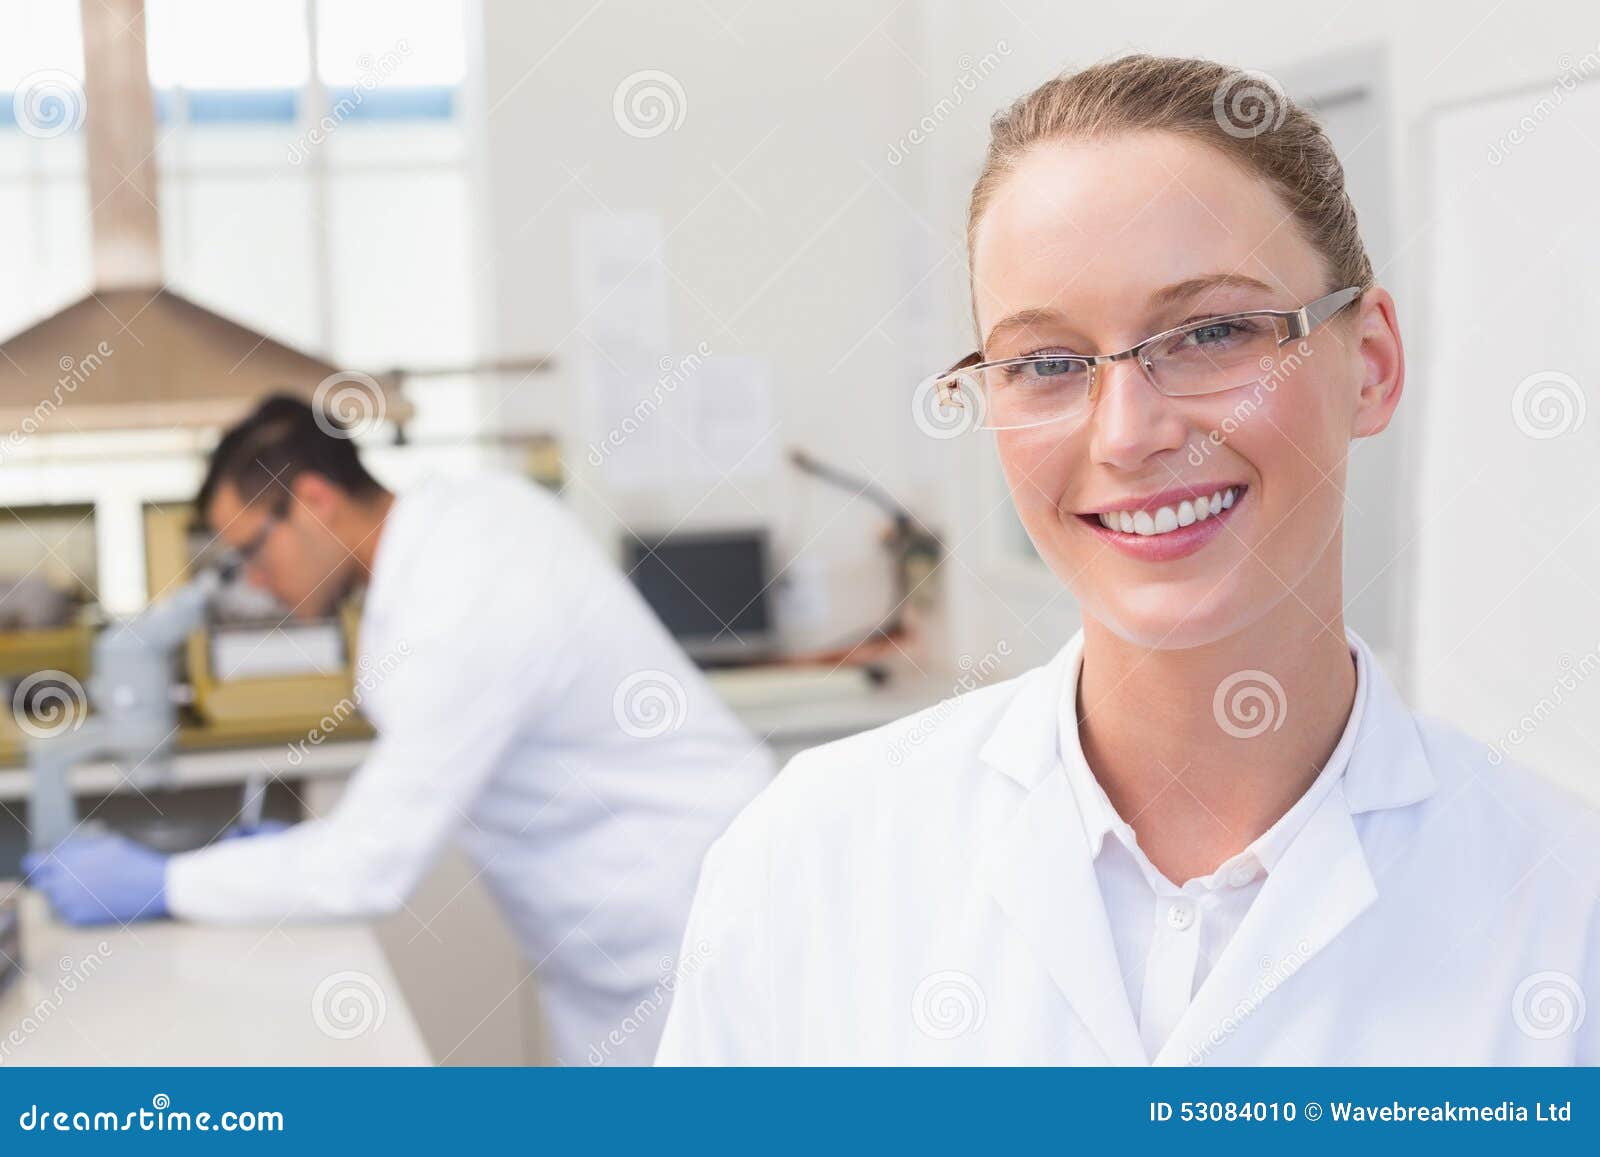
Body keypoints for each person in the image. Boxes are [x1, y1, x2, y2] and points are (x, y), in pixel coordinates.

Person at [655, 54, 1600, 1065]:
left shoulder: (1560, 906)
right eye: (1047, 363)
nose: (1125, 433)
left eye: (1211, 332)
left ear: (1367, 364)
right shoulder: (812, 855)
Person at [24, 395, 774, 1065]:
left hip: (694, 925)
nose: (253, 580)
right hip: (615, 941)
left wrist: (166, 882)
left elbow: (369, 865)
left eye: (251, 549)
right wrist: (263, 866)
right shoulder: (452, 527)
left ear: (313, 498)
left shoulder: (462, 591)